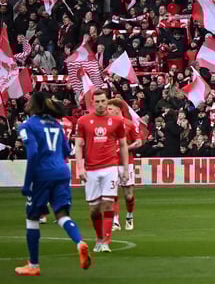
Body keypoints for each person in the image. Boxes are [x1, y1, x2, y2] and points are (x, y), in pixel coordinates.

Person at [15, 91, 91, 276]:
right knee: (62, 214)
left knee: (32, 218)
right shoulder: (56, 124)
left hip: (42, 174)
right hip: (62, 172)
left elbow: (32, 153)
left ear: (34, 104)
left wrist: (27, 183)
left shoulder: (27, 126)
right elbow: (67, 149)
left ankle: (33, 265)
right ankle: (79, 242)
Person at [73, 89, 130, 252]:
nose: (100, 104)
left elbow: (124, 145)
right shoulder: (83, 121)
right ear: (92, 103)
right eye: (97, 101)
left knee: (108, 204)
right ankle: (98, 238)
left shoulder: (117, 121)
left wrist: (125, 169)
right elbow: (78, 146)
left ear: (107, 101)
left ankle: (106, 241)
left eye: (103, 101)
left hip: (110, 167)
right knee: (94, 209)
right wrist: (80, 167)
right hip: (90, 169)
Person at [107, 99, 142, 231]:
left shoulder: (129, 124)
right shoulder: (107, 124)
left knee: (128, 195)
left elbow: (139, 142)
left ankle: (129, 216)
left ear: (118, 109)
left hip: (126, 164)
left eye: (110, 109)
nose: (107, 111)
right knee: (112, 193)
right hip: (111, 163)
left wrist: (127, 147)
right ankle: (115, 221)